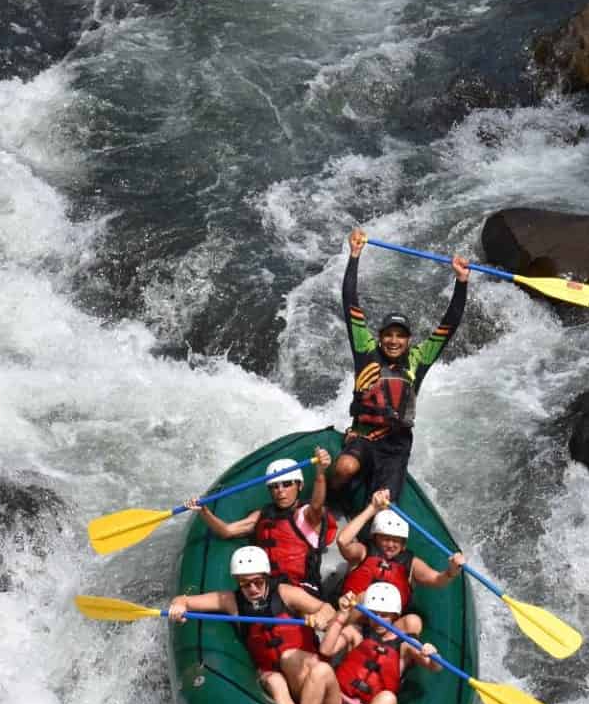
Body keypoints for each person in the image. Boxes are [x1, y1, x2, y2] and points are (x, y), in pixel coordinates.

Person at [331, 228, 470, 503]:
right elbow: (350, 303)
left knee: (383, 505)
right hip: (363, 436)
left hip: (395, 447)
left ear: (408, 340)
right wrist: (355, 256)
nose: (394, 341)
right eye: (388, 335)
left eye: (400, 336)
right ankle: (331, 499)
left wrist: (461, 282)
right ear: (380, 337)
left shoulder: (418, 360)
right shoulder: (366, 350)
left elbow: (448, 325)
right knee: (345, 467)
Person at [168, 545, 339, 704]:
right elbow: (184, 600)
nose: (253, 589)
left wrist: (320, 616)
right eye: (245, 584)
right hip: (274, 676)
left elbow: (327, 610)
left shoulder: (285, 593)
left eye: (258, 582)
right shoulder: (230, 601)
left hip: (308, 678)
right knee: (275, 682)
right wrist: (179, 606)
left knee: (307, 664)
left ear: (266, 577)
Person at [186, 447, 336, 597]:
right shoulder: (261, 515)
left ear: (300, 486)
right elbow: (227, 531)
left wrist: (320, 472)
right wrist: (204, 512)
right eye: (274, 486)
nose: (280, 491)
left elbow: (317, 504)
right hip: (268, 590)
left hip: (304, 590)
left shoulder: (307, 514)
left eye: (287, 484)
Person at [333, 487, 465, 635]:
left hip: (385, 629)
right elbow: (342, 541)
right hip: (354, 621)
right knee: (367, 596)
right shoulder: (363, 552)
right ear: (375, 537)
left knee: (414, 622)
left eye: (396, 540)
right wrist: (372, 508)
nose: (390, 544)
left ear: (404, 544)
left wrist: (452, 570)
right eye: (385, 538)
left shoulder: (411, 563)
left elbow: (437, 580)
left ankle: (394, 653)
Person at [318, 582, 444, 704]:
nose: (378, 619)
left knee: (388, 699)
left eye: (384, 615)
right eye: (374, 614)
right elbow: (326, 650)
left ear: (395, 616)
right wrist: (341, 616)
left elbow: (435, 667)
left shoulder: (406, 644)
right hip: (337, 703)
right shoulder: (356, 631)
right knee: (321, 669)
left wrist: (434, 654)